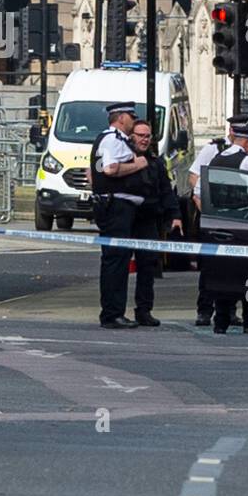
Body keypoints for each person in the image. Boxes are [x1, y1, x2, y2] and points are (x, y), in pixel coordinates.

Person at [202, 121, 248, 334]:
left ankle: (221, 319)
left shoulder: (217, 158)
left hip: (218, 223)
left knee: (225, 274)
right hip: (243, 223)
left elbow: (201, 192)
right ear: (247, 142)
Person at [188, 114, 248, 327]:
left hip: (238, 220)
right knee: (210, 268)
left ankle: (229, 312)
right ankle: (205, 310)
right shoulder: (212, 150)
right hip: (216, 220)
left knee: (237, 268)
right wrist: (210, 215)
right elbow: (195, 180)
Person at [89, 102, 148, 328]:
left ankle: (114, 311)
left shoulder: (110, 139)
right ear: (121, 118)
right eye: (131, 117)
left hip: (115, 206)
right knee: (116, 261)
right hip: (116, 208)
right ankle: (112, 313)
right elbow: (110, 169)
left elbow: (92, 172)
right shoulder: (113, 139)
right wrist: (138, 164)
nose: (134, 120)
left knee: (117, 260)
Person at [128, 119, 183, 327]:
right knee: (117, 264)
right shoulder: (125, 158)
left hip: (148, 219)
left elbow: (166, 191)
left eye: (147, 136)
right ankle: (112, 310)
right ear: (131, 136)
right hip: (126, 217)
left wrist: (175, 215)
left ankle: (144, 310)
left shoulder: (155, 162)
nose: (144, 140)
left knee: (147, 265)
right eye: (140, 135)